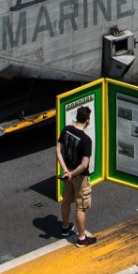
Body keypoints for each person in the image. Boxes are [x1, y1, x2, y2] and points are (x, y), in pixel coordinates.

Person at [56, 104, 97, 245]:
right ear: (87, 120)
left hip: (67, 173)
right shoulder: (86, 140)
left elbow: (58, 150)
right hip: (79, 177)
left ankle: (65, 227)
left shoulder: (66, 130)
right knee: (81, 207)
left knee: (66, 200)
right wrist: (72, 174)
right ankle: (81, 239)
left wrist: (66, 171)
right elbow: (84, 165)